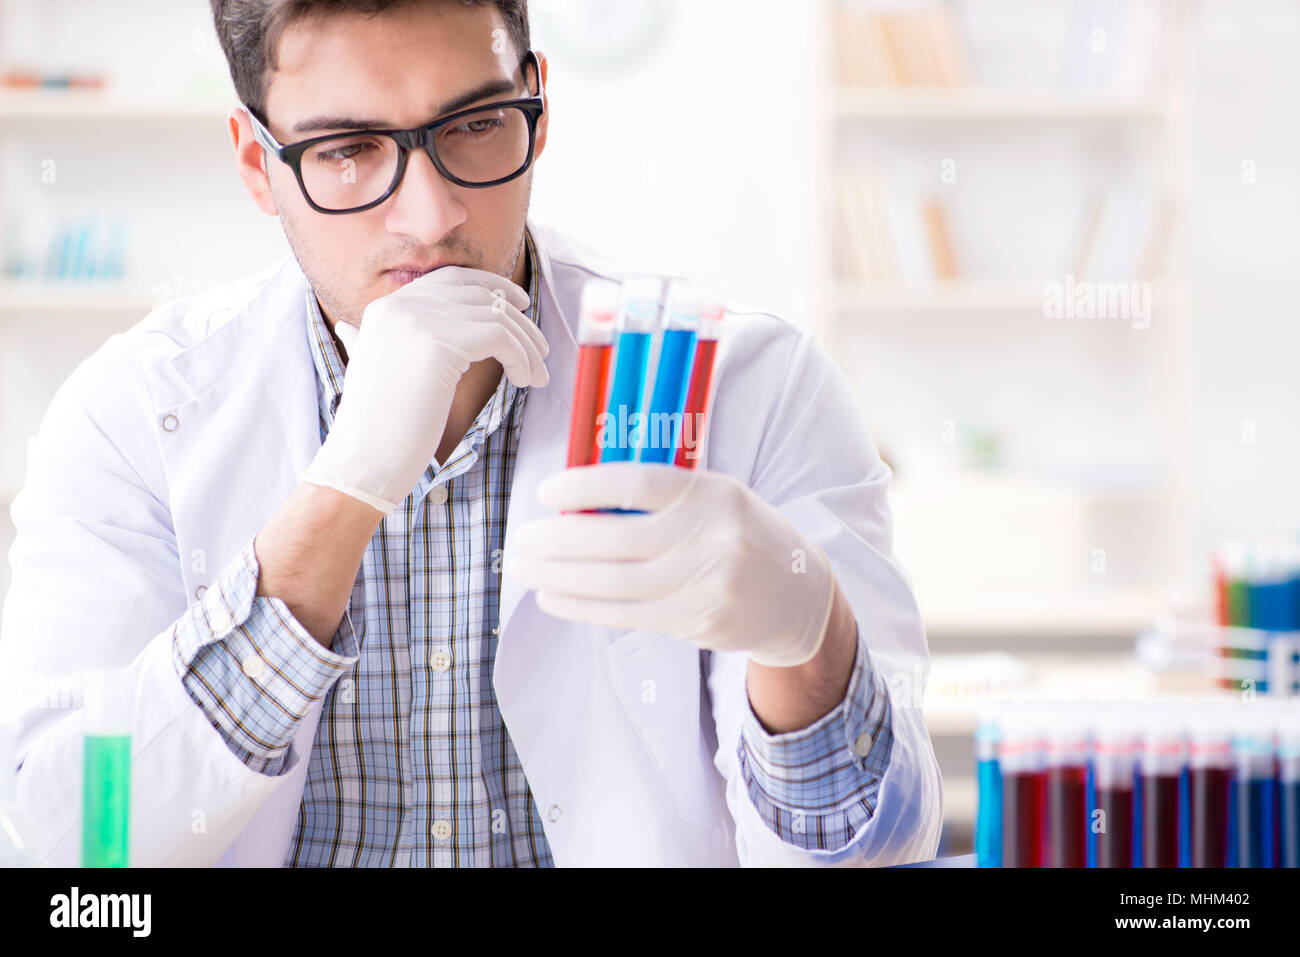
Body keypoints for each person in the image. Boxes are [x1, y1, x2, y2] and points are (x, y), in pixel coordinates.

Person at [0, 0, 941, 866]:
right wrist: (345, 488)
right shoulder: (130, 416)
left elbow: (869, 853)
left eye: (475, 124)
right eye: (348, 150)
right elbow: (76, 843)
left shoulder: (750, 387)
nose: (433, 215)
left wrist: (809, 638)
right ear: (259, 164)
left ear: (538, 105)